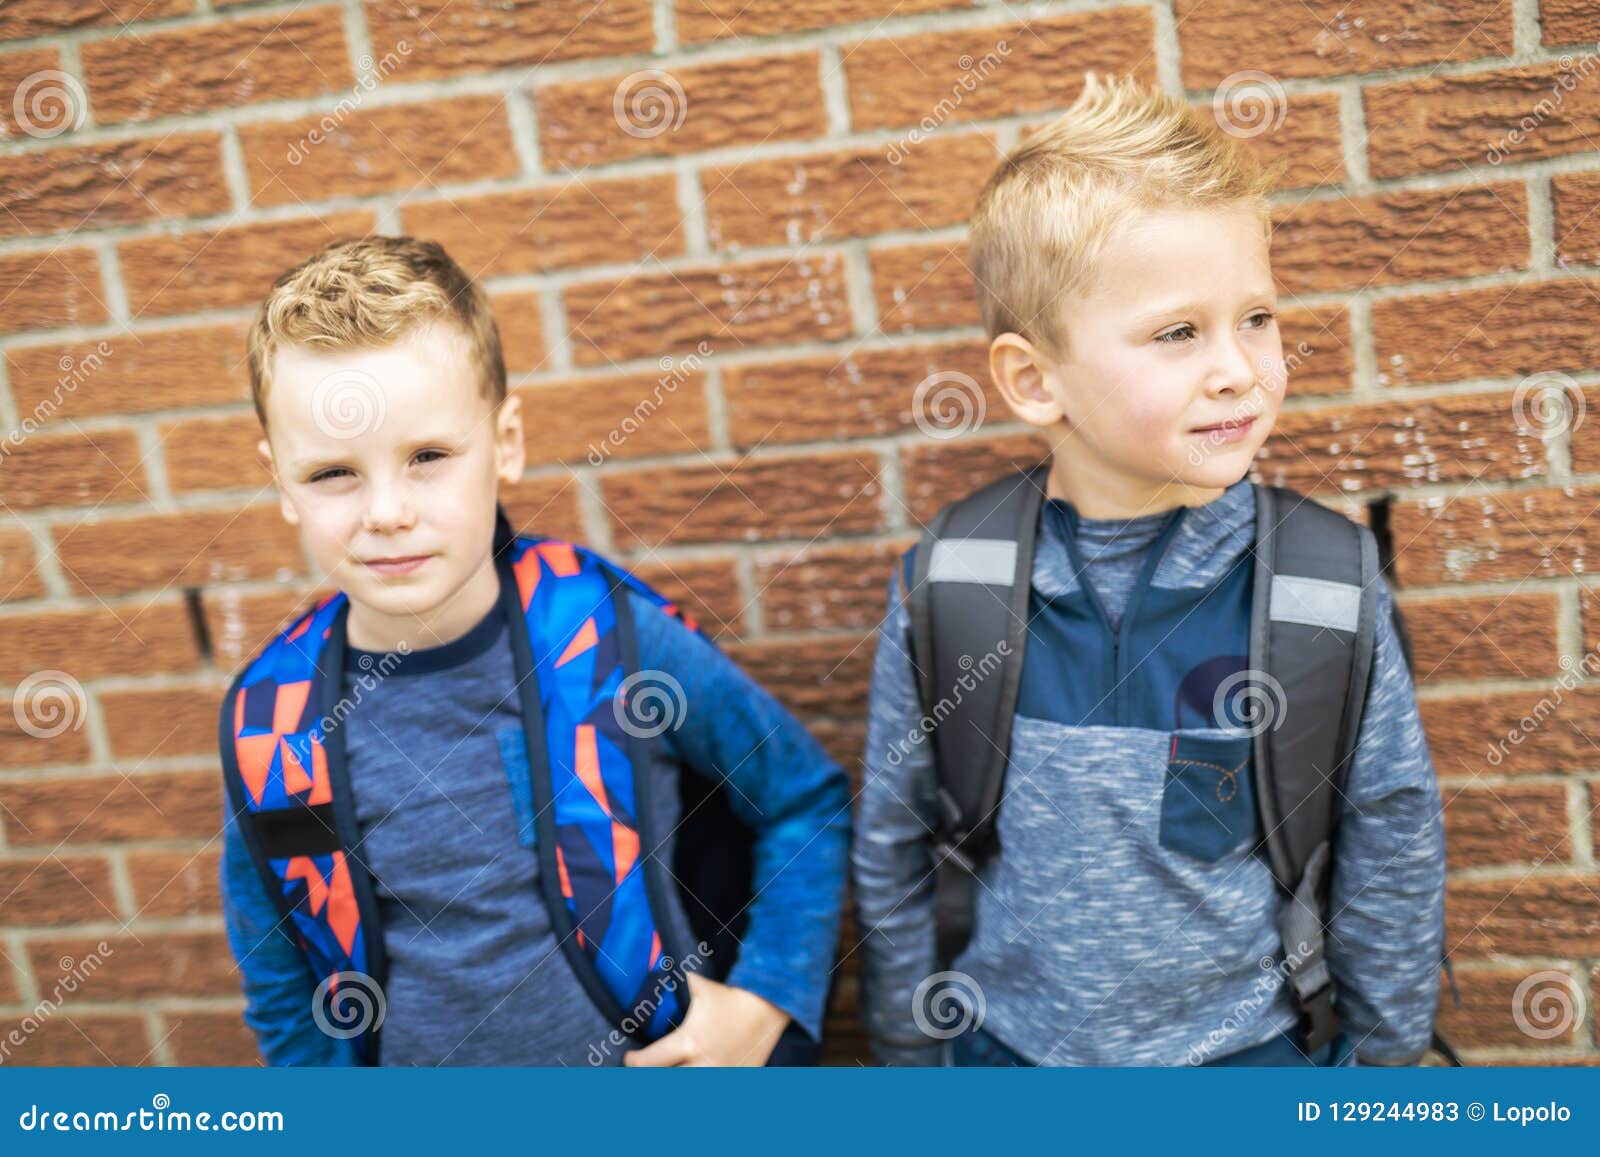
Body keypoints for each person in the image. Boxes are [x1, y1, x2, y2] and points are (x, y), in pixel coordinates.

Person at [852, 74, 1446, 1067]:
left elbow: (1391, 840)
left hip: (1249, 1063)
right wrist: (912, 1061)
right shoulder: (951, 588)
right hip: (1005, 1062)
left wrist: (1383, 1073)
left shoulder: (1319, 590)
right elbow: (894, 842)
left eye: (1255, 317)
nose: (1237, 368)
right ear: (1033, 379)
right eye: (1178, 332)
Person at [219, 236, 850, 1066]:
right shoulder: (274, 723)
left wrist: (766, 1002)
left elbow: (804, 800)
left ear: (506, 442)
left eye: (429, 457)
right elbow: (280, 984)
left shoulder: (600, 634)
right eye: (334, 472)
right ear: (279, 483)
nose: (386, 511)